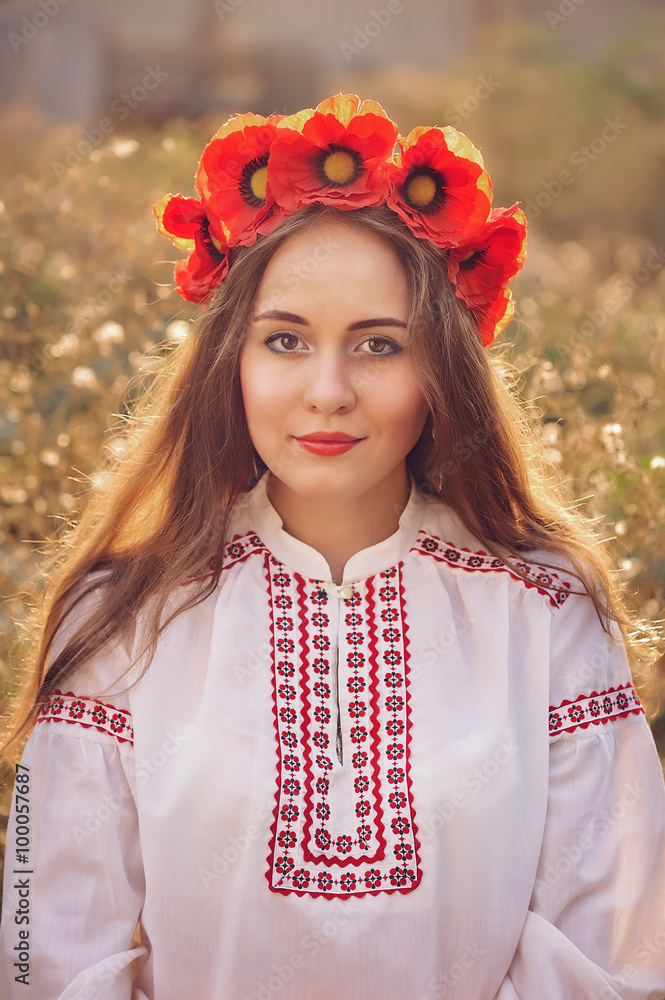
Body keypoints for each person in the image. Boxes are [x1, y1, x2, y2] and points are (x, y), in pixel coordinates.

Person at [1, 92, 664, 1000]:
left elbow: (619, 958)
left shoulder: (543, 611)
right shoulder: (121, 616)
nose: (326, 390)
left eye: (379, 346)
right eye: (284, 340)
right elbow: (44, 954)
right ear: (231, 359)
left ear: (443, 369)